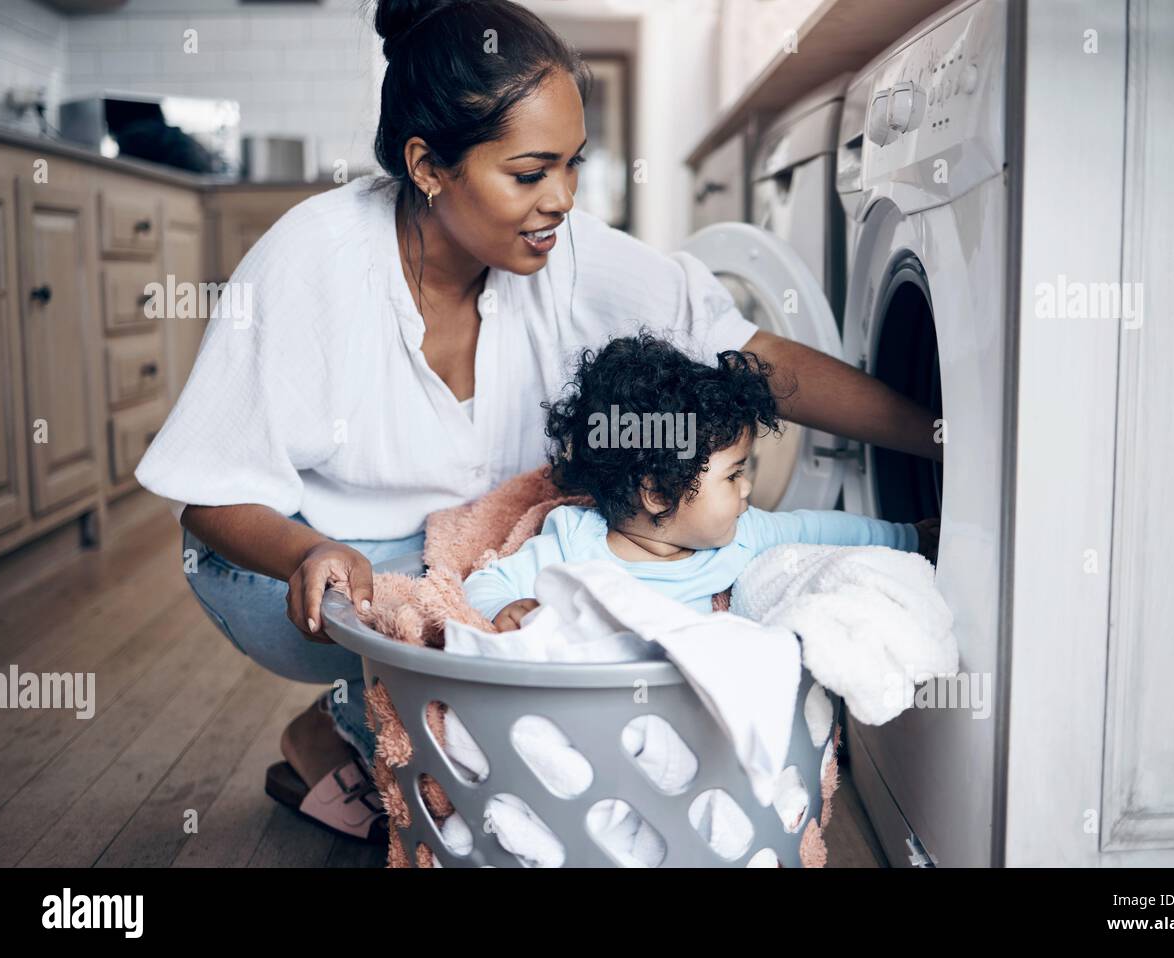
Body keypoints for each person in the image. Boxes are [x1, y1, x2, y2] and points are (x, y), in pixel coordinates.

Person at [135, 0, 942, 843]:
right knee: (463, 609)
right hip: (289, 564)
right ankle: (349, 712)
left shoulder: (568, 250)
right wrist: (307, 552)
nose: (560, 199)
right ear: (428, 165)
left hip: (474, 548)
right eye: (529, 174)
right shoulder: (313, 264)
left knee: (577, 562)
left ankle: (362, 719)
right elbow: (208, 496)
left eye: (572, 165)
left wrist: (940, 435)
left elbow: (746, 354)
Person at [464, 333, 939, 630]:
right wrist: (509, 608)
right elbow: (483, 584)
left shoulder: (743, 537)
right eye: (734, 474)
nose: (746, 489)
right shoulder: (572, 543)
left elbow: (818, 531)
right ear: (658, 493)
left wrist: (909, 537)